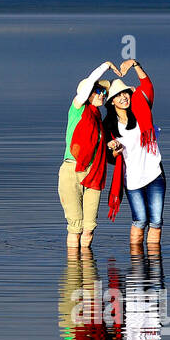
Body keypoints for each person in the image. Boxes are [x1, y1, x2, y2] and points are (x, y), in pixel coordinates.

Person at [103, 59, 164, 249]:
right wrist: (115, 150)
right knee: (140, 220)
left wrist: (134, 64)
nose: (123, 97)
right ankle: (136, 261)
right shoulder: (109, 126)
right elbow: (109, 157)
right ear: (112, 102)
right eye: (118, 95)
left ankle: (154, 262)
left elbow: (147, 86)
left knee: (156, 221)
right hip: (132, 179)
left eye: (125, 93)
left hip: (154, 173)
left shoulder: (140, 108)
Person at [58, 61, 115, 250]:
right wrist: (105, 66)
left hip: (94, 173)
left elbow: (95, 146)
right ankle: (74, 267)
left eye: (104, 92)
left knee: (89, 228)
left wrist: (110, 144)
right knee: (75, 228)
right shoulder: (77, 109)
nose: (102, 95)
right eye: (98, 91)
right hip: (72, 170)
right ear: (88, 93)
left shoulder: (98, 119)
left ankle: (88, 266)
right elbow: (90, 82)